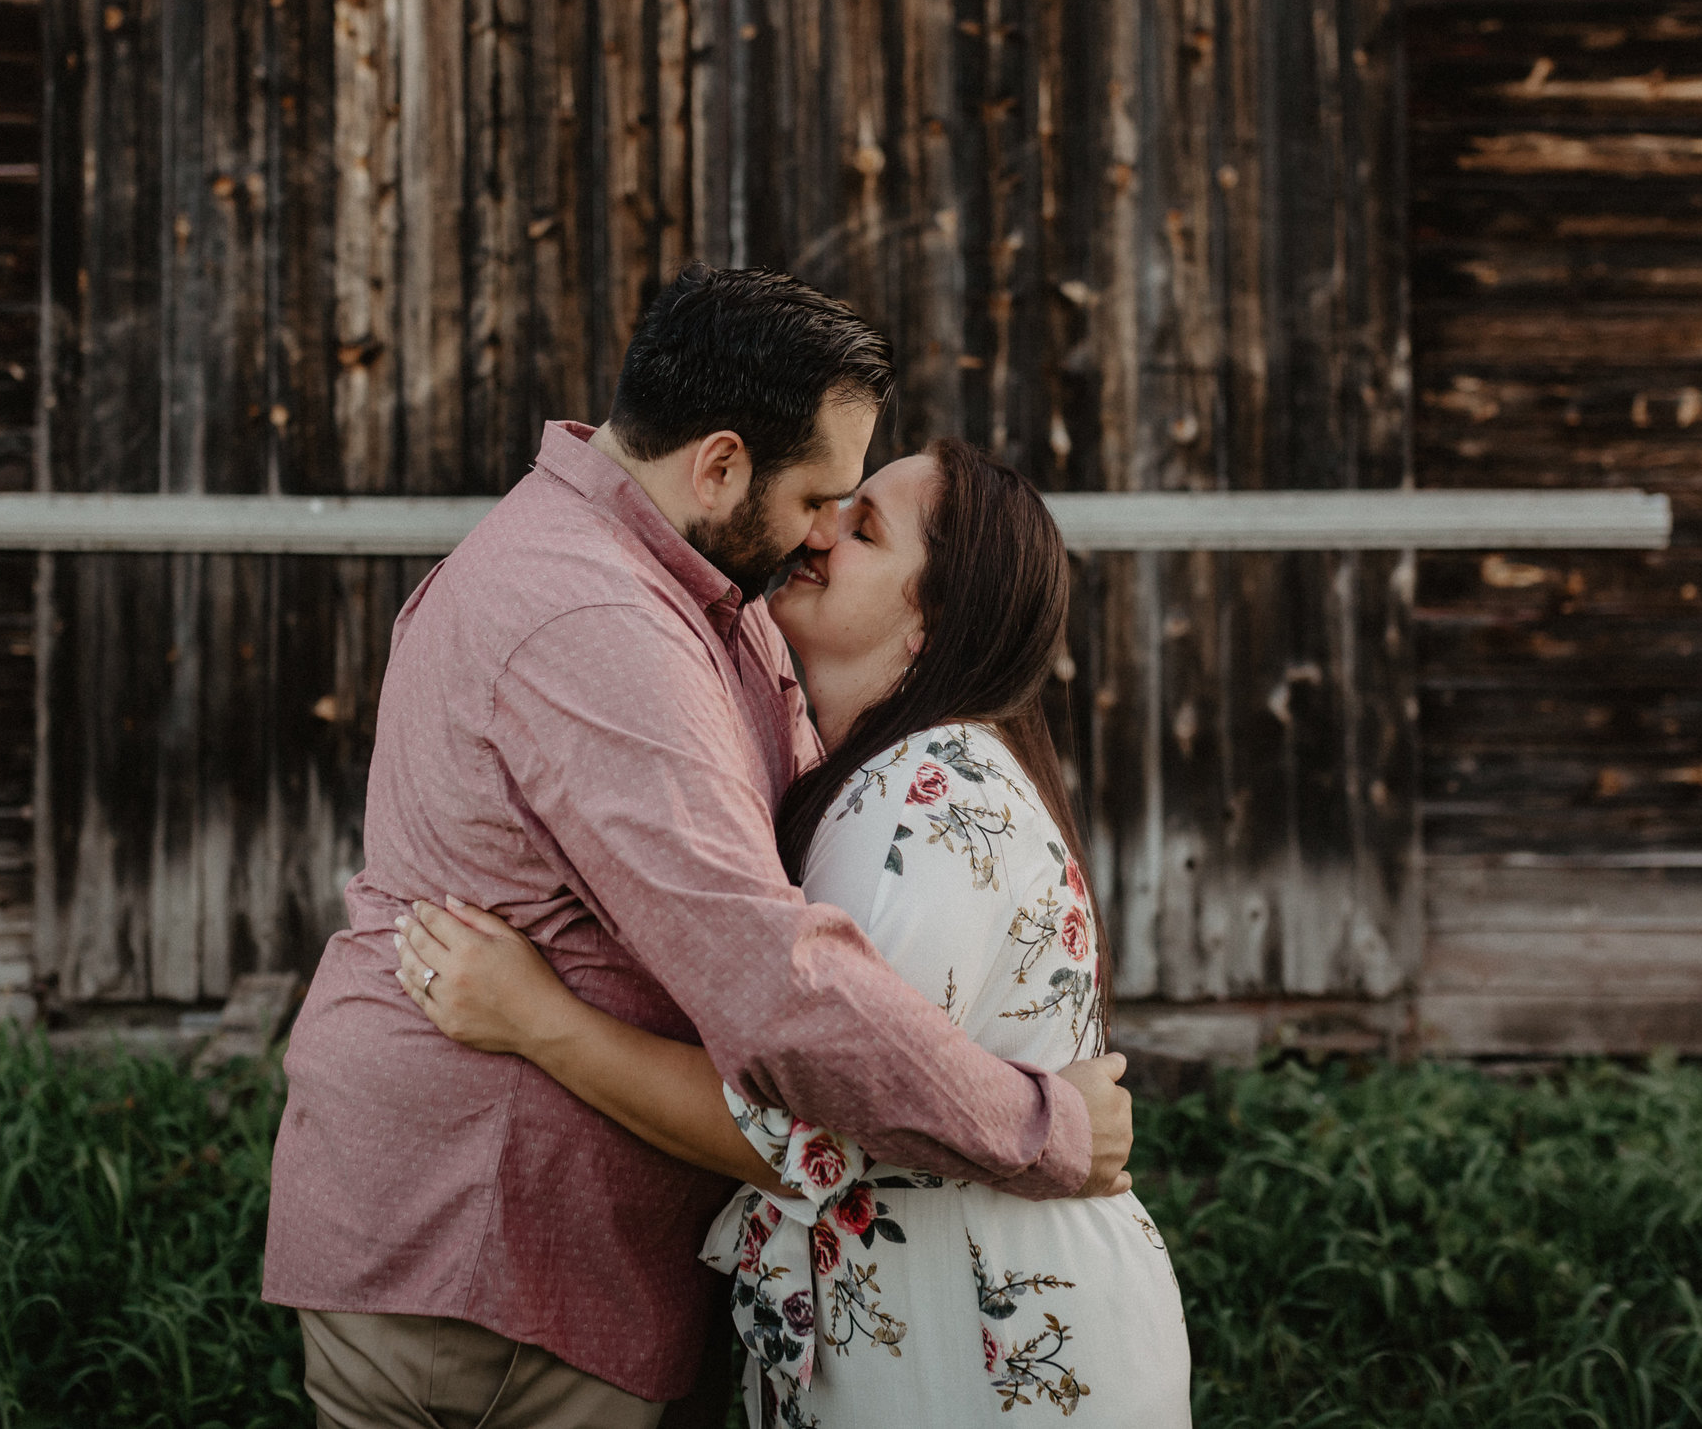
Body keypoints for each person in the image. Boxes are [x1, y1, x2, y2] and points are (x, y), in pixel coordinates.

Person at [264, 265, 1139, 1429]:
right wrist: (1047, 1127)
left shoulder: (699, 592)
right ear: (720, 464)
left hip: (553, 1256)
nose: (820, 530)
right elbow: (776, 987)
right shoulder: (600, 620)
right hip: (496, 1259)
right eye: (820, 496)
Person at [397, 438, 1192, 1428]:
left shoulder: (927, 794)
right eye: (833, 504)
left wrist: (535, 1018)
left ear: (930, 622)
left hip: (987, 1353)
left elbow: (801, 1125)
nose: (816, 530)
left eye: (864, 529)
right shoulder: (878, 774)